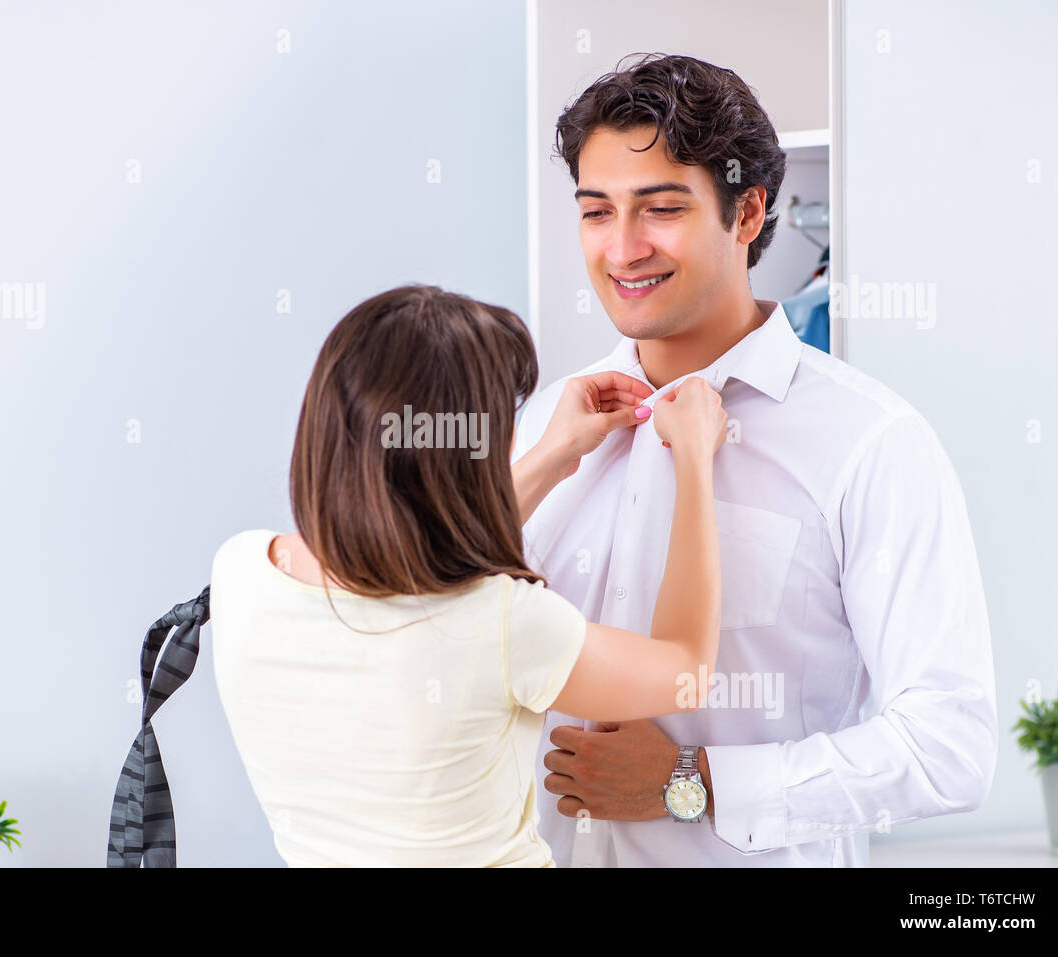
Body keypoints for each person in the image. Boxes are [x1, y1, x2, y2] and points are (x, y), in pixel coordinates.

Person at [517, 52, 997, 867]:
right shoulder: (547, 421)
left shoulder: (869, 442)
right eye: (596, 212)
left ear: (746, 215)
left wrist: (693, 779)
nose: (623, 247)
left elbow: (949, 744)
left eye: (660, 208)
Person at [209, 283, 728, 866]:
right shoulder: (502, 622)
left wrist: (553, 456)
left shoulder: (244, 571)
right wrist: (692, 460)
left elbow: (418, 546)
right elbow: (687, 667)